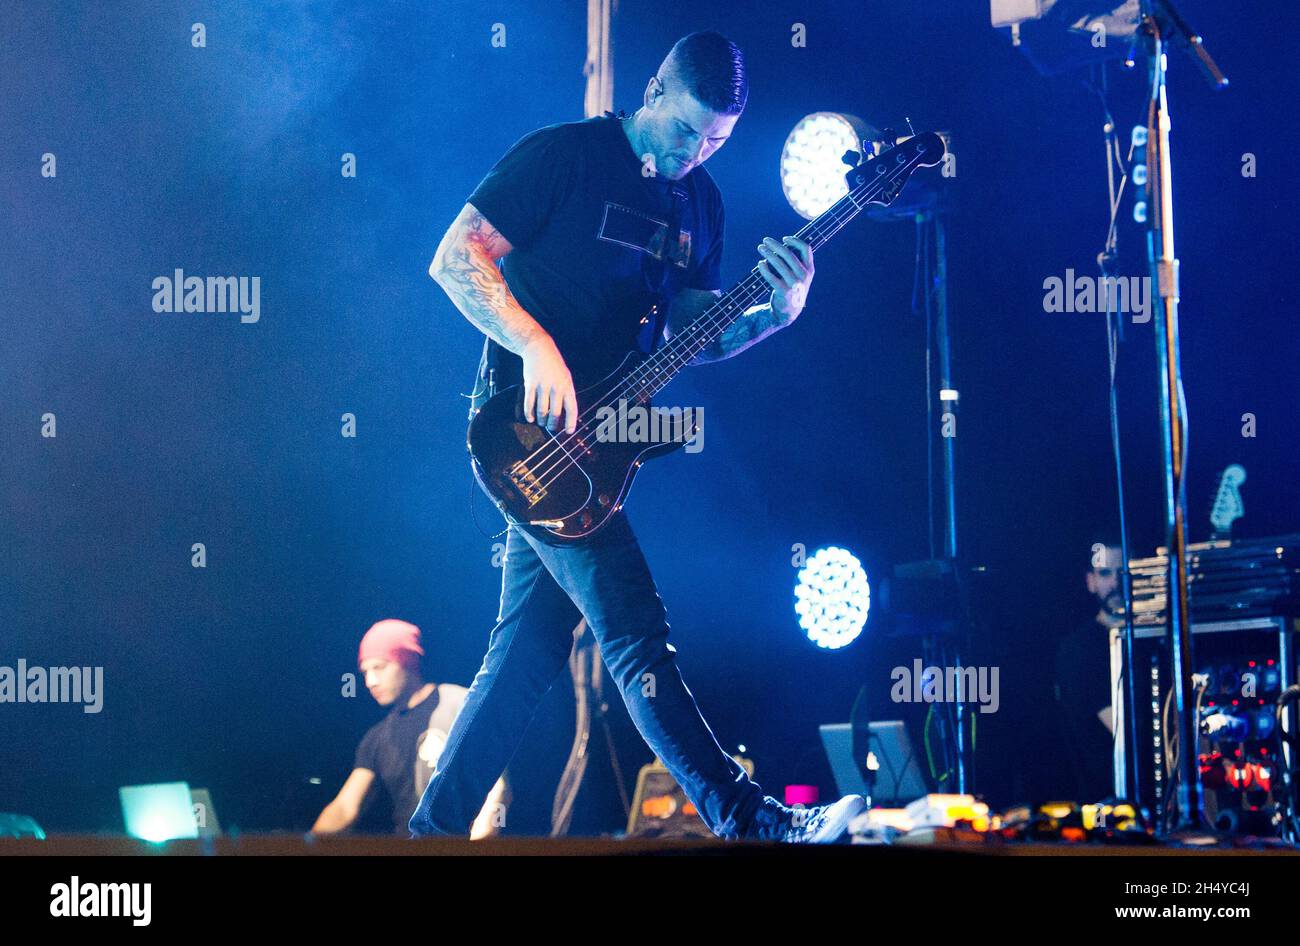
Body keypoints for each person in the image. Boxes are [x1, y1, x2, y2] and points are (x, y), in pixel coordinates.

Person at [412, 31, 863, 842]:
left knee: (526, 656)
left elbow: (701, 333)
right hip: (528, 433)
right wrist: (533, 342)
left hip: (606, 441)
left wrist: (778, 315)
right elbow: (456, 258)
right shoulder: (563, 157)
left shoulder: (702, 204)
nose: (696, 152)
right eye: (686, 129)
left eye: (717, 141)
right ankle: (752, 821)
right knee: (635, 631)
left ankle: (428, 837)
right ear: (653, 91)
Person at [313, 619, 507, 838]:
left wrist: (477, 848)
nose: (370, 681)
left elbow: (497, 786)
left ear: (409, 659)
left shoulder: (460, 704)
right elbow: (345, 806)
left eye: (379, 667)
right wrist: (307, 846)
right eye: (365, 672)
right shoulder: (377, 737)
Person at [1055, 542, 1125, 801]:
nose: (1116, 583)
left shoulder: (1155, 639)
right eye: (1105, 573)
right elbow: (1122, 727)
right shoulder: (1079, 649)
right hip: (1107, 799)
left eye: (1124, 571)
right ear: (1091, 581)